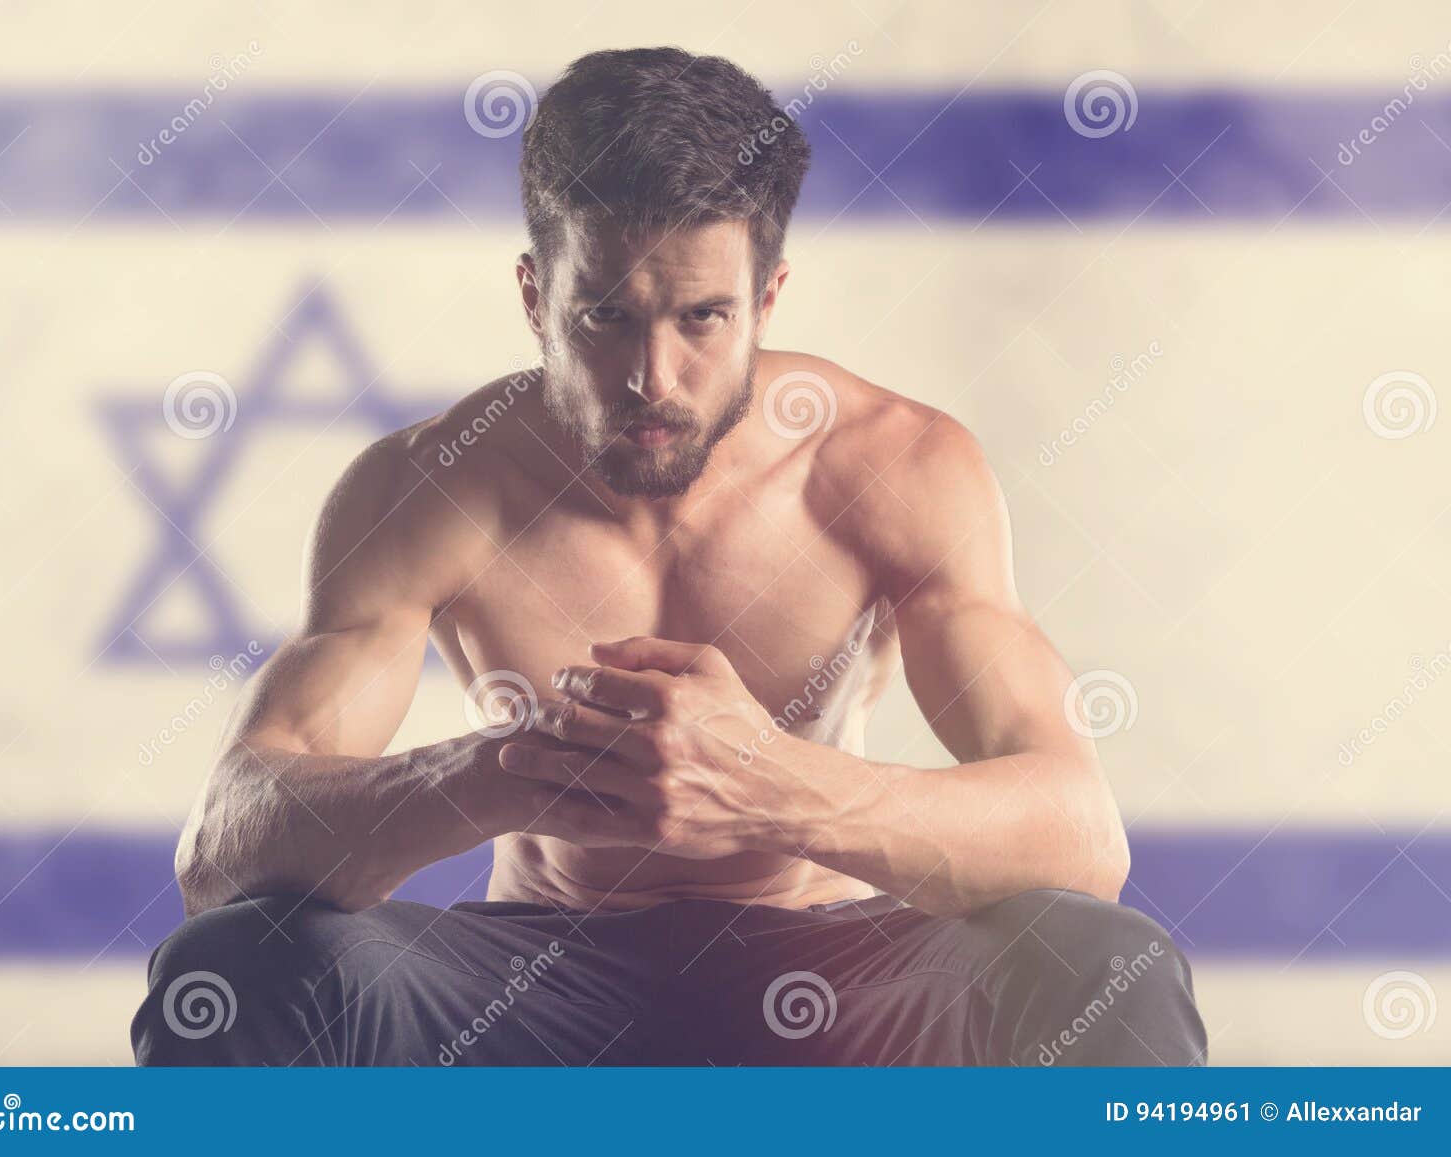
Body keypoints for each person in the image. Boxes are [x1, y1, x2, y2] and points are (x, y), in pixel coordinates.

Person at [131, 46, 1207, 1067]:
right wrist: (502, 771)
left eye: (701, 318)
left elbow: (1079, 837)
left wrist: (769, 788)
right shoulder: (431, 485)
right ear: (533, 298)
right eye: (603, 315)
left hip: (829, 975)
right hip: (529, 980)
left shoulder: (896, 467)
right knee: (238, 963)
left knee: (1104, 965)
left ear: (766, 300)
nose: (653, 375)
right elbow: (223, 846)